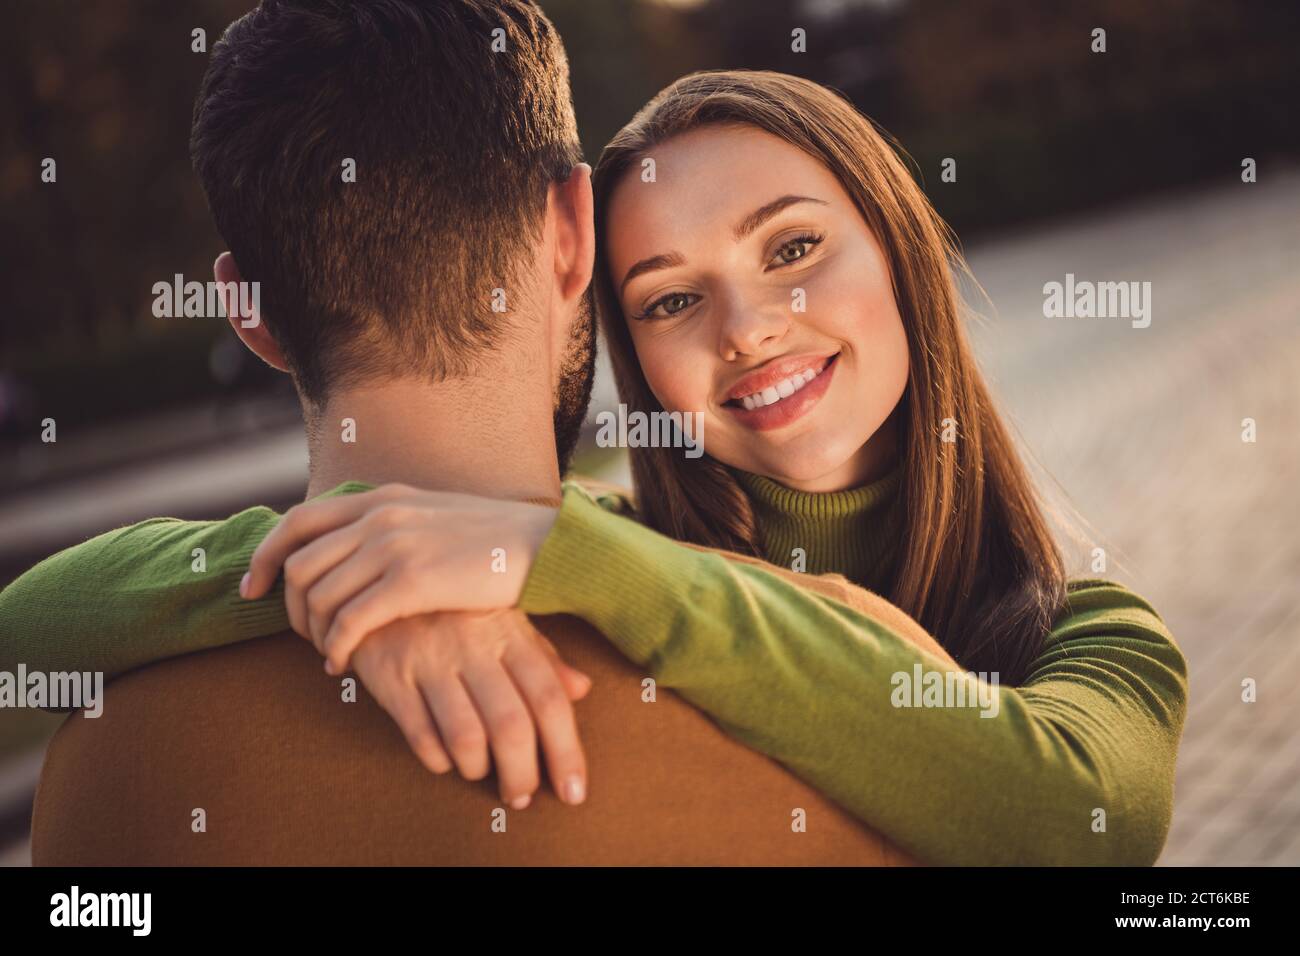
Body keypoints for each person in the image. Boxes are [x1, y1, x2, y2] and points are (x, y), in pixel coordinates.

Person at [1, 9, 1188, 866]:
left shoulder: (1095, 627)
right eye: (669, 298)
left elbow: (1084, 819)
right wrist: (363, 565)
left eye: (791, 248)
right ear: (584, 264)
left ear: (902, 246)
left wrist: (521, 542)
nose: (748, 330)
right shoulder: (574, 551)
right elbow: (28, 618)